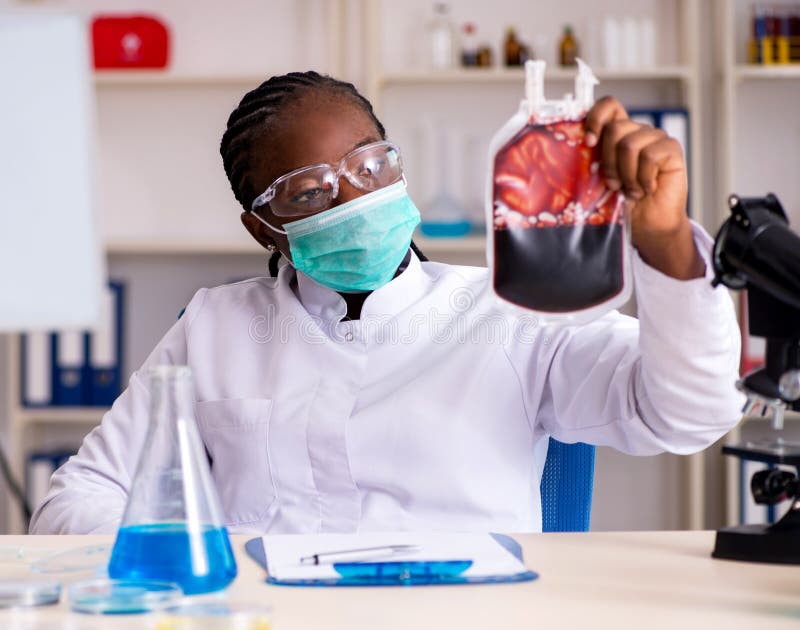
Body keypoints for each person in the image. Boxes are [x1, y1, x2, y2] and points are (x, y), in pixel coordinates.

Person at [31, 71, 743, 535]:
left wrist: (665, 244)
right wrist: (206, 553)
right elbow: (74, 501)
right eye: (311, 192)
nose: (355, 196)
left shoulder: (512, 311)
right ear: (263, 226)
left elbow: (686, 415)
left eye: (372, 165)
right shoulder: (214, 327)